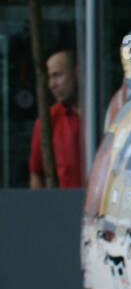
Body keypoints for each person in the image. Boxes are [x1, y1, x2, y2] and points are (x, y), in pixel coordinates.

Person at [28, 49, 83, 189]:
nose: (52, 85)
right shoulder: (47, 122)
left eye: (57, 75)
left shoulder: (103, 113)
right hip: (61, 205)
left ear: (77, 73)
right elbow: (36, 175)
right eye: (49, 78)